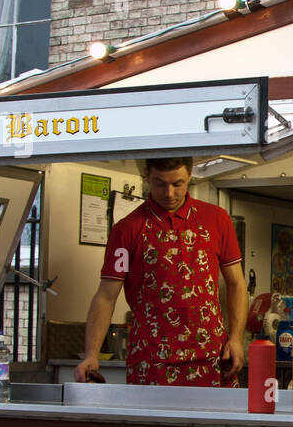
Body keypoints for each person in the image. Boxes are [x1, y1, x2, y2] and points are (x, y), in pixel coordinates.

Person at [75, 158, 247, 387]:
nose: (169, 193)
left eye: (178, 184)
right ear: (147, 175)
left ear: (190, 174)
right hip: (151, 361)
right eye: (160, 184)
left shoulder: (217, 219)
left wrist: (236, 339)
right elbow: (106, 296)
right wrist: (91, 354)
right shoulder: (126, 230)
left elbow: (236, 284)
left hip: (212, 358)